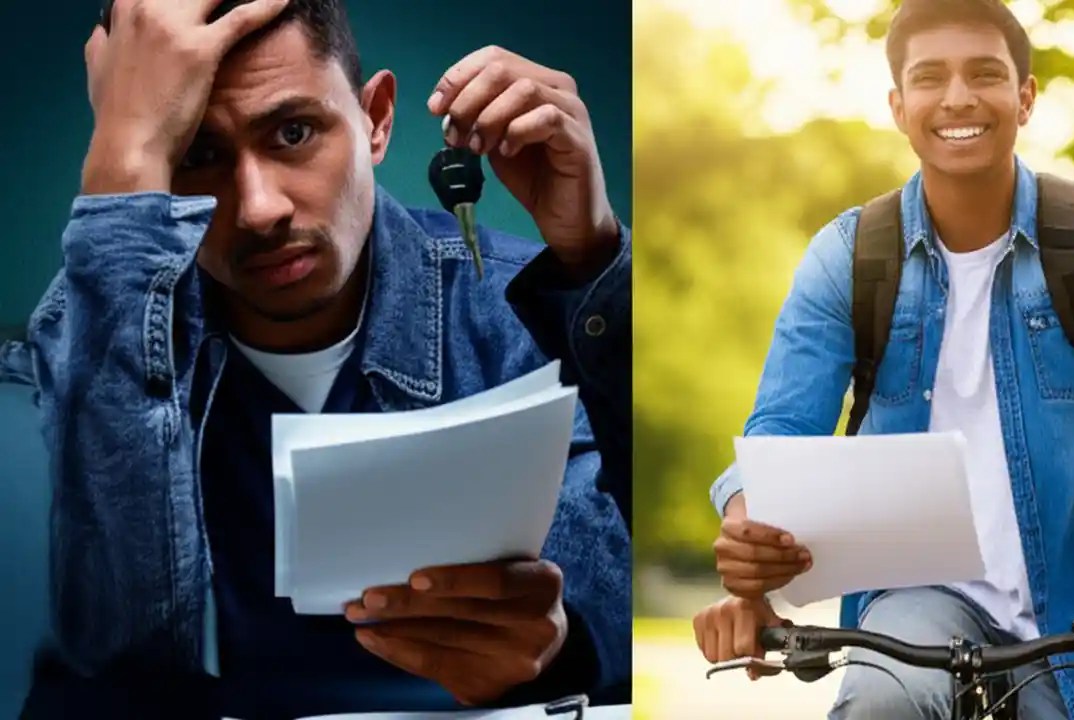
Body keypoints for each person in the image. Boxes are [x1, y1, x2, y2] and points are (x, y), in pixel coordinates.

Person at [0, 0, 630, 717]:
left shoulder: (522, 303)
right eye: (196, 155)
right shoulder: (85, 330)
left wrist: (562, 643)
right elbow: (108, 649)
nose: (260, 207)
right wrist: (120, 168)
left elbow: (634, 569)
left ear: (376, 119)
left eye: (293, 133)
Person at [692, 0, 1074, 718]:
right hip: (914, 601)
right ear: (898, 105)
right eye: (930, 77)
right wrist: (749, 580)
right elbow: (777, 435)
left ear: (1025, 96)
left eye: (984, 73)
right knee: (879, 705)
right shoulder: (851, 257)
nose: (957, 97)